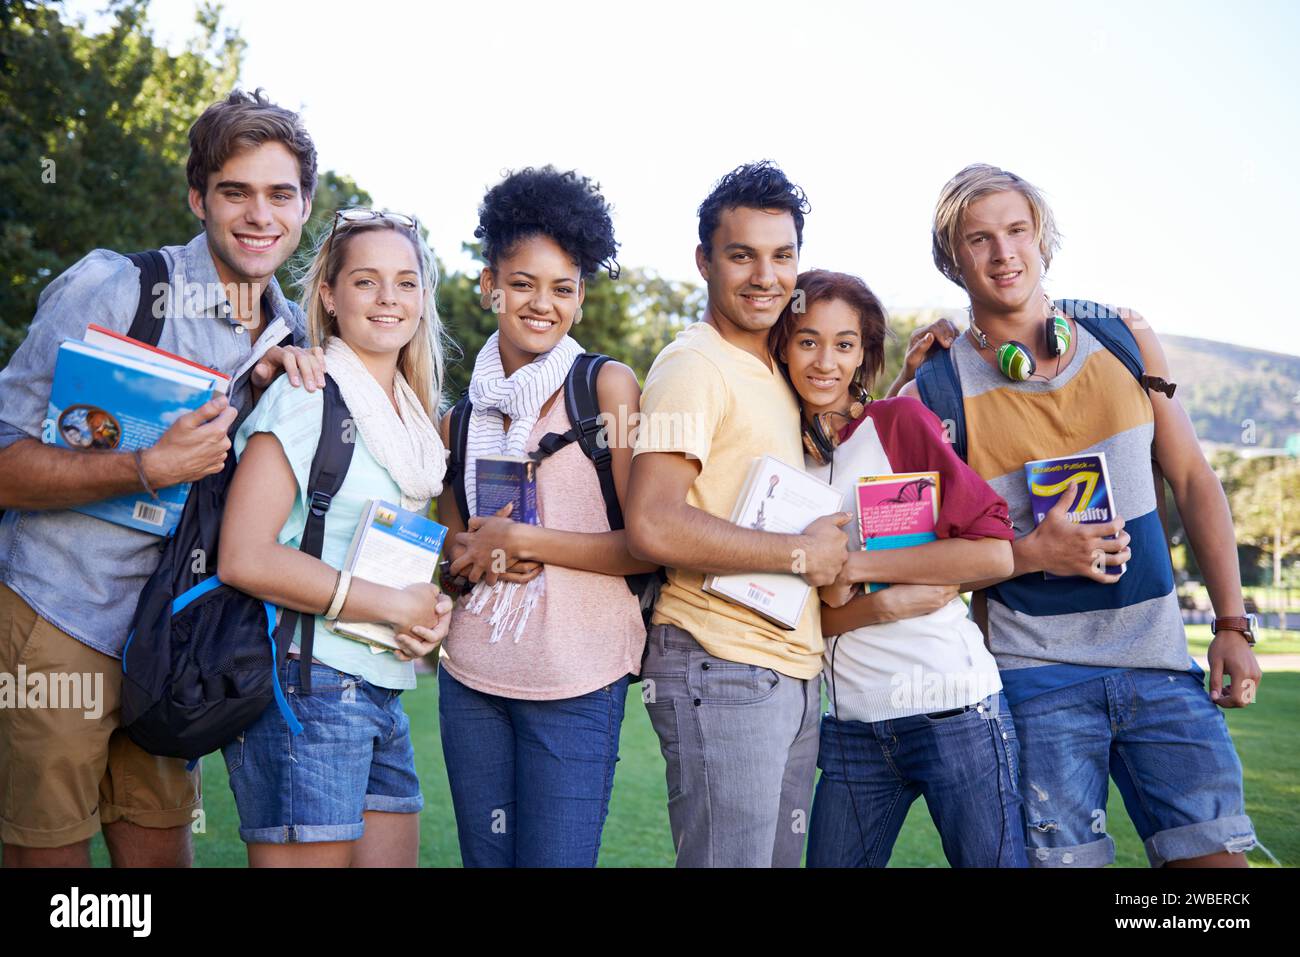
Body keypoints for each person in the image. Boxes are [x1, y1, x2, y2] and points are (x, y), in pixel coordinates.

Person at [896, 163, 1261, 868]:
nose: (1004, 253)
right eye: (979, 239)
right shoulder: (933, 388)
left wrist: (1231, 624)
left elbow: (1193, 479)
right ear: (952, 259)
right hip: (1034, 680)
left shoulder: (1123, 336)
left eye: (1017, 230)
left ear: (1043, 240)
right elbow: (905, 543)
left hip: (1160, 664)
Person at [0, 89, 326, 867]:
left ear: (305, 205)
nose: (259, 215)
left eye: (280, 193)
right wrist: (147, 466)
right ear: (197, 197)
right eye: (234, 191)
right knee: (50, 868)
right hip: (59, 614)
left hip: (176, 646)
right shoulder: (117, 288)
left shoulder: (295, 338)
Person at [624, 162, 850, 868]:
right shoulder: (695, 364)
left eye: (782, 256)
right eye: (741, 254)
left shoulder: (775, 370)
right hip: (718, 664)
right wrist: (795, 553)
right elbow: (652, 523)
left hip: (786, 671)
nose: (765, 276)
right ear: (704, 261)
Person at [217, 208, 454, 866]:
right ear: (328, 294)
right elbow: (243, 555)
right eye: (366, 281)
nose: (389, 299)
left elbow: (383, 558)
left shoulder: (414, 423)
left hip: (383, 687)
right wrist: (388, 604)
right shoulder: (305, 396)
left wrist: (425, 612)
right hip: (307, 682)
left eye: (406, 283)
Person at [436, 166, 653, 867]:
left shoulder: (606, 387)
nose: (542, 303)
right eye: (523, 283)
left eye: (562, 288)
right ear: (488, 285)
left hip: (576, 680)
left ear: (581, 297)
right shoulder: (460, 421)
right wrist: (469, 556)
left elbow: (646, 546)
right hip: (471, 680)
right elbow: (447, 556)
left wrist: (526, 539)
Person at [769, 268, 1022, 867]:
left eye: (845, 343)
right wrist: (874, 605)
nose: (825, 361)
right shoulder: (774, 462)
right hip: (853, 728)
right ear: (780, 346)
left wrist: (852, 564)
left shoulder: (896, 424)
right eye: (807, 340)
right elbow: (797, 618)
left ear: (864, 355)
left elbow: (993, 552)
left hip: (956, 710)